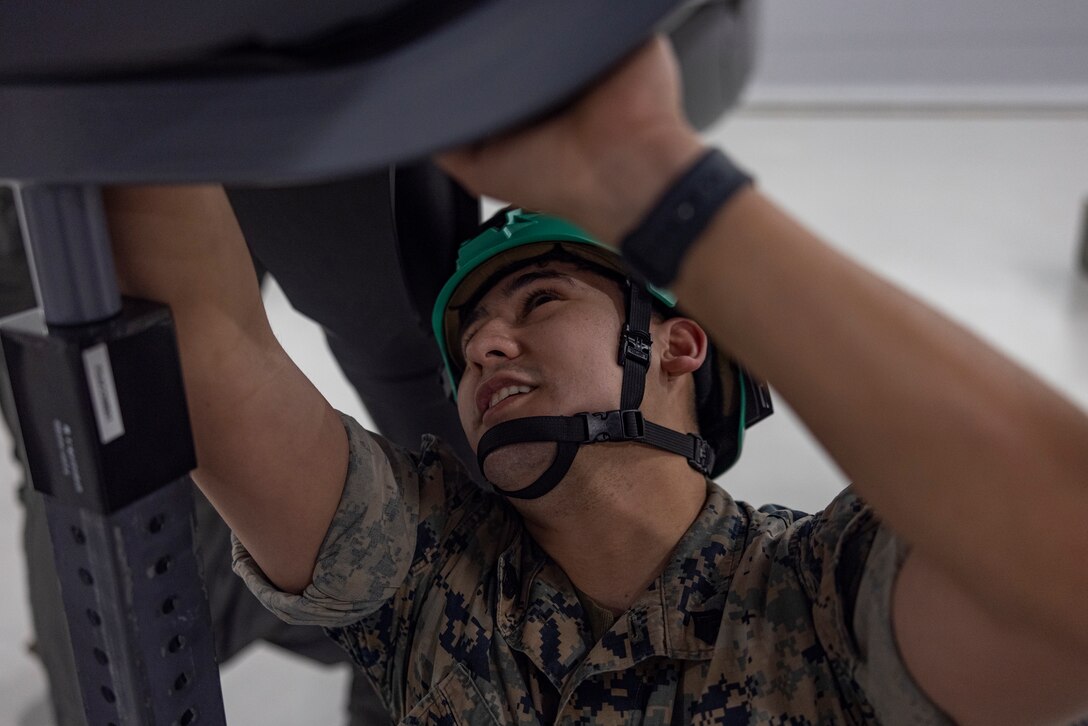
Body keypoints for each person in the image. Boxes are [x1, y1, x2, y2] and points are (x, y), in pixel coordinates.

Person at [101, 37, 1088, 725]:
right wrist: (136, 60)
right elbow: (209, 348)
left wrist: (647, 178)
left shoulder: (822, 608)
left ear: (678, 347)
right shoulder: (427, 581)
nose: (485, 346)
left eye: (537, 301)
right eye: (471, 335)